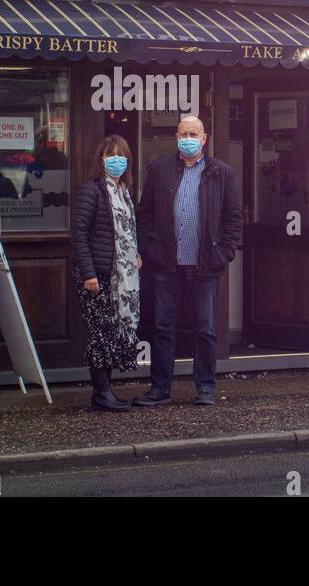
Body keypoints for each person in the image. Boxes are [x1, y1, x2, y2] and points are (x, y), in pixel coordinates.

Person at [133, 115, 241, 407]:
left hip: (205, 265)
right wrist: (148, 247)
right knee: (162, 327)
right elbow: (145, 213)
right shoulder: (160, 169)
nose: (188, 139)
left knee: (205, 328)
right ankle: (159, 389)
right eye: (183, 134)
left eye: (194, 134)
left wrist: (226, 251)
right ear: (176, 137)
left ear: (204, 138)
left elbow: (233, 218)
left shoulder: (221, 172)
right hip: (166, 264)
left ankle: (205, 387)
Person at [70, 135, 141, 412]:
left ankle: (104, 392)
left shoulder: (124, 191)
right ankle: (101, 393)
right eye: (110, 155)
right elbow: (79, 234)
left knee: (110, 334)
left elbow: (127, 232)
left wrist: (135, 253)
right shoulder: (92, 190)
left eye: (121, 155)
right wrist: (88, 273)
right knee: (100, 334)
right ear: (100, 159)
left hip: (119, 277)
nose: (116, 160)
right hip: (97, 275)